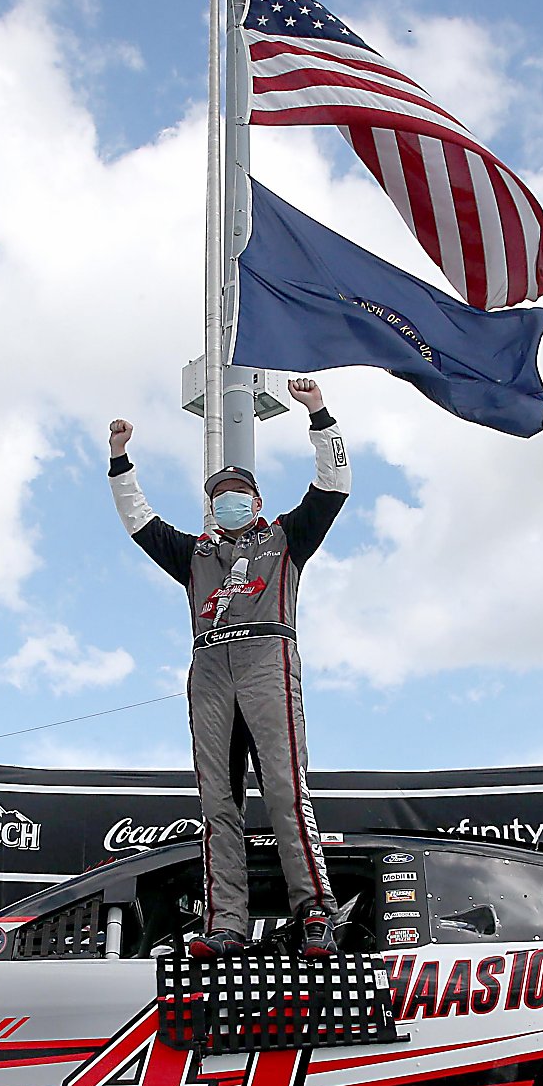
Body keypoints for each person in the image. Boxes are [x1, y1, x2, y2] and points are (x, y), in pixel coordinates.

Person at [107, 377, 351, 958]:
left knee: (286, 792)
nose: (228, 500)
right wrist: (120, 460)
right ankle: (226, 924)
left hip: (268, 660)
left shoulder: (288, 539)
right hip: (210, 669)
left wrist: (318, 414)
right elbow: (139, 521)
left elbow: (333, 483)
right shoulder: (195, 555)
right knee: (216, 803)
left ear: (257, 501)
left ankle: (314, 912)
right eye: (219, 496)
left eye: (238, 492)